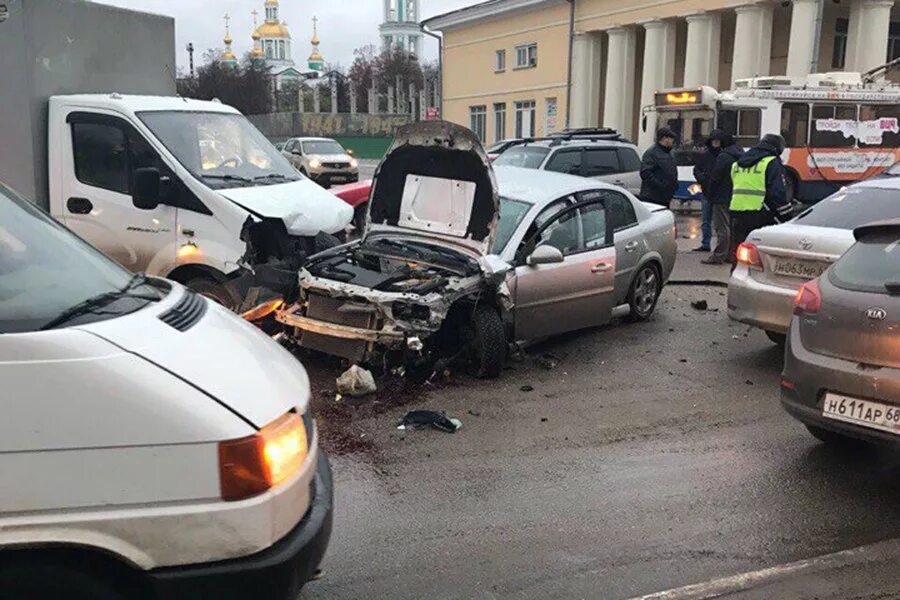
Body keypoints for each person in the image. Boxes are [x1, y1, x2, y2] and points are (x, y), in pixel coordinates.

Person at [729, 134, 794, 263]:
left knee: (739, 250)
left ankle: (737, 275)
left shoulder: (737, 164)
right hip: (761, 213)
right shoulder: (771, 162)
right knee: (759, 254)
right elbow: (777, 192)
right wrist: (787, 215)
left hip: (736, 211)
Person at [699, 130, 743, 264]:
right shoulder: (739, 154)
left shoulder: (724, 156)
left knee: (721, 228)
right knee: (730, 227)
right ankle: (730, 255)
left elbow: (715, 178)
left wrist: (710, 193)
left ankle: (718, 256)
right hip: (734, 195)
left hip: (720, 196)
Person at [639, 127, 679, 207]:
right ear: (664, 138)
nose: (672, 141)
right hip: (652, 197)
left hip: (666, 196)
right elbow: (645, 173)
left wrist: (674, 184)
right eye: (671, 138)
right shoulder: (651, 153)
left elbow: (671, 170)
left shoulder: (670, 152)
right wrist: (660, 185)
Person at [692, 137, 718, 252]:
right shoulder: (706, 156)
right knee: (706, 220)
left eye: (718, 141)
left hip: (718, 193)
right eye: (714, 141)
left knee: (718, 222)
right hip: (707, 192)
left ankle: (719, 245)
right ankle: (706, 243)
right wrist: (702, 179)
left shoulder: (723, 155)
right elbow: (696, 169)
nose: (716, 143)